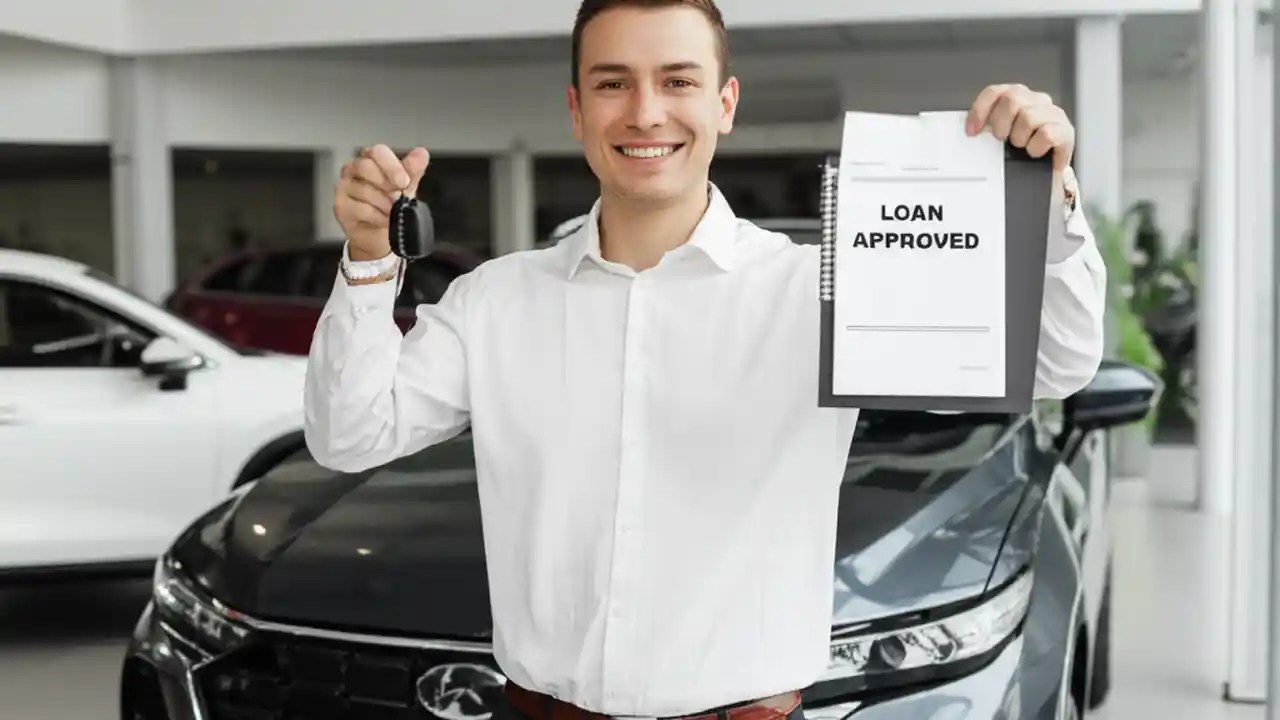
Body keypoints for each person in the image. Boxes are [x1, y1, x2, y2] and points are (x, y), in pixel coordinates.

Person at [303, 1, 1107, 719]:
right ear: (577, 111)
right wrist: (371, 261)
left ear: (725, 104)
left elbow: (1057, 364)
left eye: (678, 81)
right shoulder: (497, 301)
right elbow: (351, 435)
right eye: (614, 84)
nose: (646, 112)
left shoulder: (820, 293)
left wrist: (1054, 190)